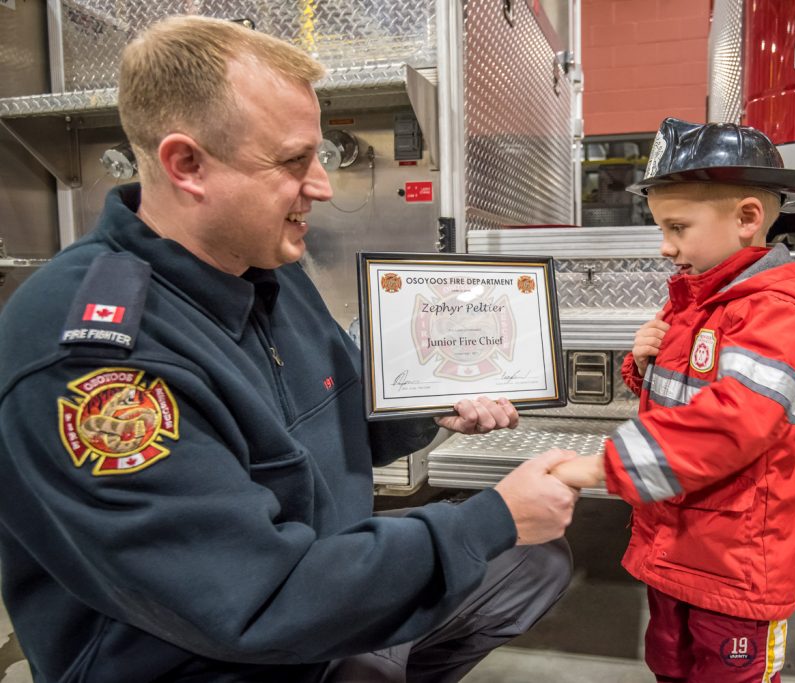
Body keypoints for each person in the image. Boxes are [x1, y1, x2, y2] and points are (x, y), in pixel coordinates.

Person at [0, 16, 581, 683]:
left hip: (316, 602)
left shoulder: (265, 270)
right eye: (291, 161)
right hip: (218, 653)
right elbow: (252, 595)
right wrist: (490, 518)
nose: (323, 186)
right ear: (186, 164)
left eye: (321, 155)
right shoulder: (97, 359)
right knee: (495, 537)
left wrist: (428, 407)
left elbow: (337, 414)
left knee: (532, 562)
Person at [553, 118, 795, 682]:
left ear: (746, 219)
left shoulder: (774, 312)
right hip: (679, 546)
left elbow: (734, 421)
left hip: (737, 567)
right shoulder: (696, 300)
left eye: (677, 227)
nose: (666, 248)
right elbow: (683, 395)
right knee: (670, 665)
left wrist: (604, 466)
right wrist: (642, 365)